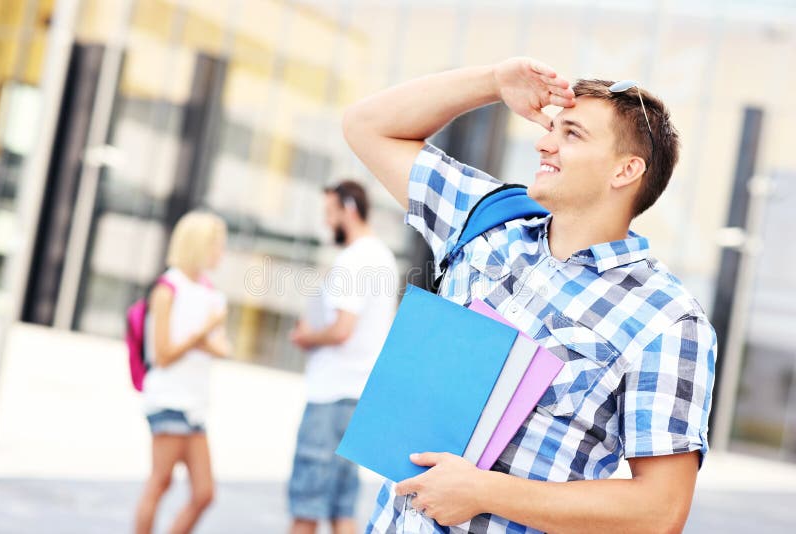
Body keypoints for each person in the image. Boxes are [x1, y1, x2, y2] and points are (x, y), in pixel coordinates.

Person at [342, 57, 716, 533]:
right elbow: (366, 126)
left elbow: (660, 511)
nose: (543, 143)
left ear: (625, 170)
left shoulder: (667, 319)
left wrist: (484, 492)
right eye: (551, 129)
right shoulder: (486, 220)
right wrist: (492, 82)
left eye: (571, 134)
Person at [288, 180, 398, 534]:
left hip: (330, 395)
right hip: (358, 396)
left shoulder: (353, 259)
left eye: (330, 213)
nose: (326, 222)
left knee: (306, 507)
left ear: (349, 209)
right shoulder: (384, 257)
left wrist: (306, 336)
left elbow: (341, 329)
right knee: (341, 507)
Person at [134, 211, 230, 534]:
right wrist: (203, 333)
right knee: (160, 482)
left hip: (195, 404)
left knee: (204, 493)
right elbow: (163, 354)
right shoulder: (168, 288)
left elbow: (222, 347)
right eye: (217, 245)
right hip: (169, 398)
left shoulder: (209, 291)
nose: (221, 253)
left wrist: (204, 338)